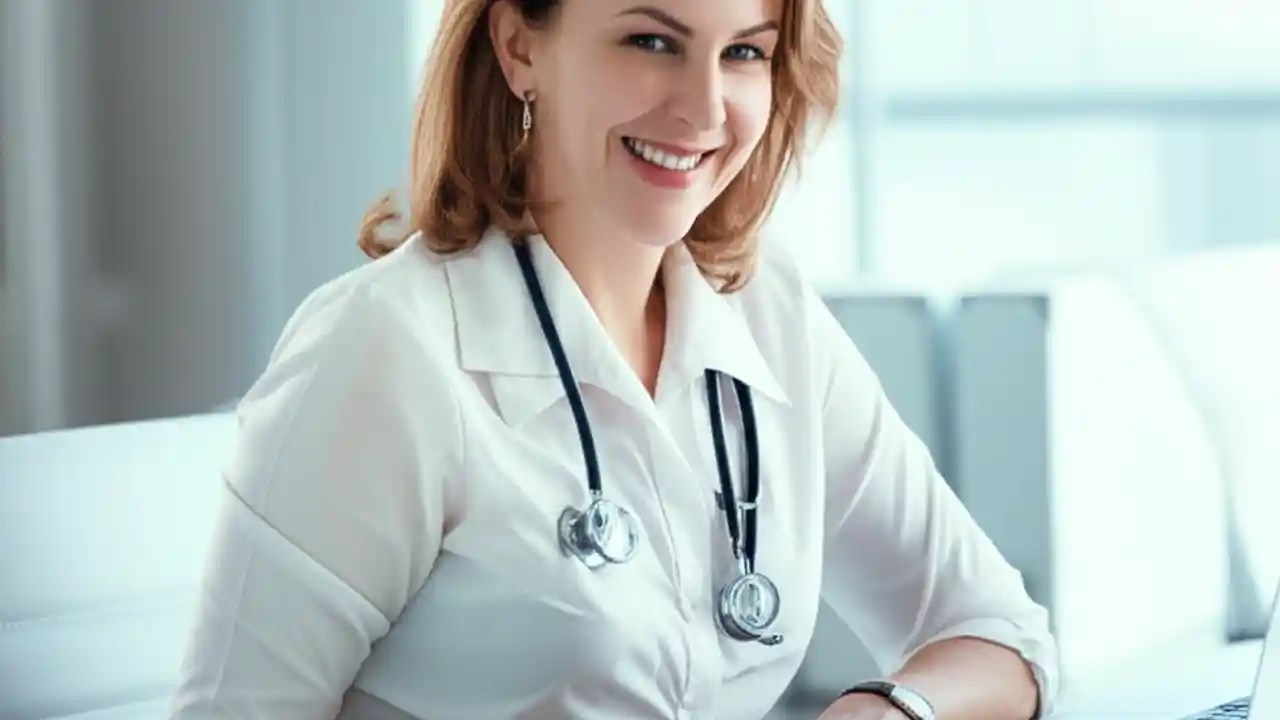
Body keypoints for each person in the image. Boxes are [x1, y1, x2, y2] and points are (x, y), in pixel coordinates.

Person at [170, 0, 1058, 718]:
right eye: (651, 41)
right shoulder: (384, 351)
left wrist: (889, 710)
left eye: (744, 53)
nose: (704, 109)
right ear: (520, 47)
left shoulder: (769, 314)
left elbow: (1002, 636)